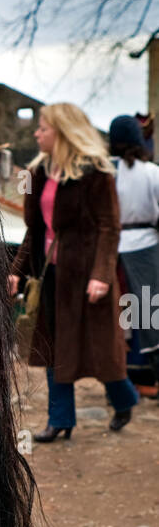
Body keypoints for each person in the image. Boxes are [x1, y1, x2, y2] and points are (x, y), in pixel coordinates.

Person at [8, 102, 137, 438]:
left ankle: (125, 398)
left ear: (62, 132)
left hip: (88, 275)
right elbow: (33, 230)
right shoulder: (34, 174)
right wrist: (16, 271)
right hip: (51, 276)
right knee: (54, 349)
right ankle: (60, 420)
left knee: (103, 351)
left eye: (43, 128)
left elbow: (109, 228)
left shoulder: (97, 173)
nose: (36, 134)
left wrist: (101, 276)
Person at [108, 114, 159, 386]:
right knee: (149, 312)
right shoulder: (153, 172)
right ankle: (144, 376)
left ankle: (126, 380)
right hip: (147, 248)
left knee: (126, 311)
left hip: (115, 248)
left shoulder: (108, 172)